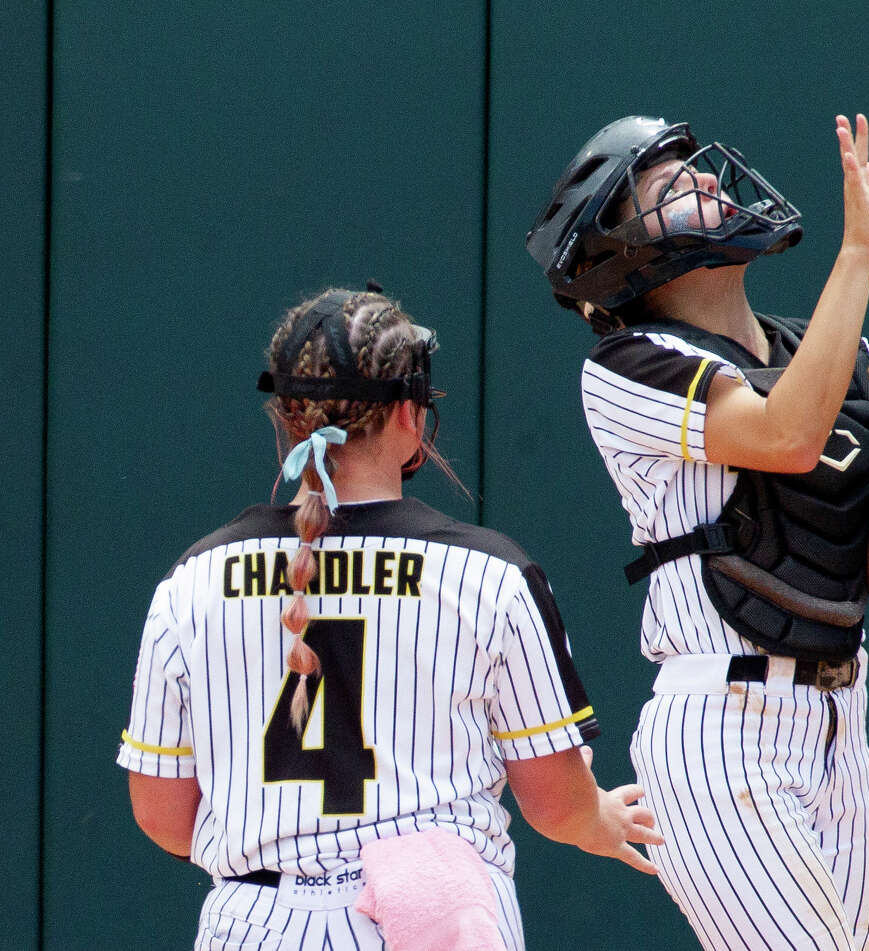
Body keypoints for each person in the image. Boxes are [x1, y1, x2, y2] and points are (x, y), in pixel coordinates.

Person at [526, 115, 869, 951]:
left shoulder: (827, 356)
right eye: (669, 184)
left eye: (695, 168)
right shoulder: (627, 364)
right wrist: (858, 252)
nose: (706, 179)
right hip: (723, 726)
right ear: (626, 247)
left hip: (839, 720)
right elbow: (786, 435)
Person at [117, 286, 662, 951]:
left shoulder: (191, 581)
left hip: (254, 922)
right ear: (411, 411)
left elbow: (163, 817)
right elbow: (557, 806)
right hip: (432, 916)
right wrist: (598, 818)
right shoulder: (491, 574)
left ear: (287, 416)